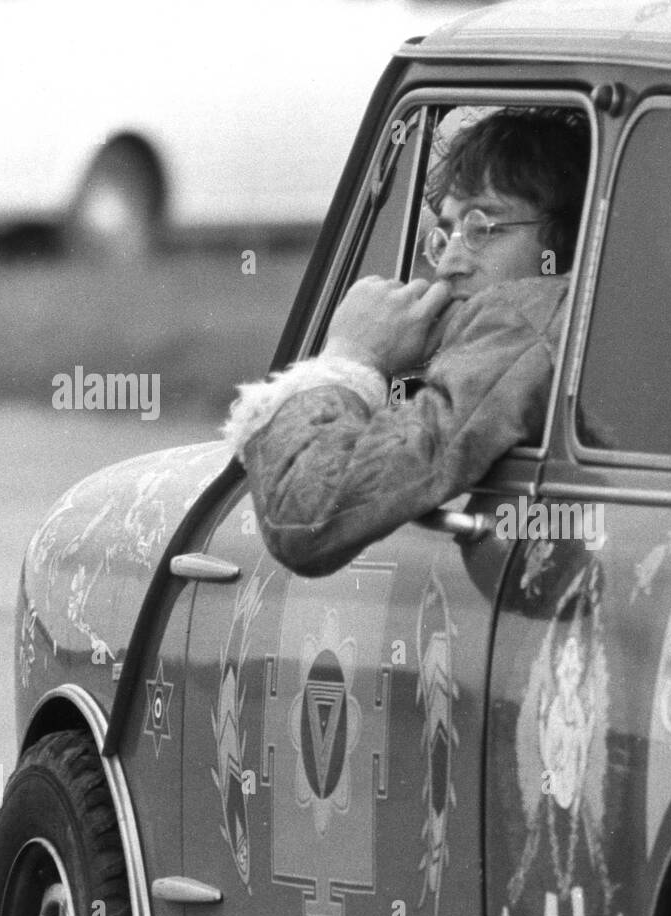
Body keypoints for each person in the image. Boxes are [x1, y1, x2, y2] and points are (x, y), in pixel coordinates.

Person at [223, 107, 590, 577]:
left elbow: (307, 515)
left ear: (567, 245)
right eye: (445, 235)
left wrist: (352, 358)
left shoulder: (525, 316)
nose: (450, 262)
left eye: (483, 229)